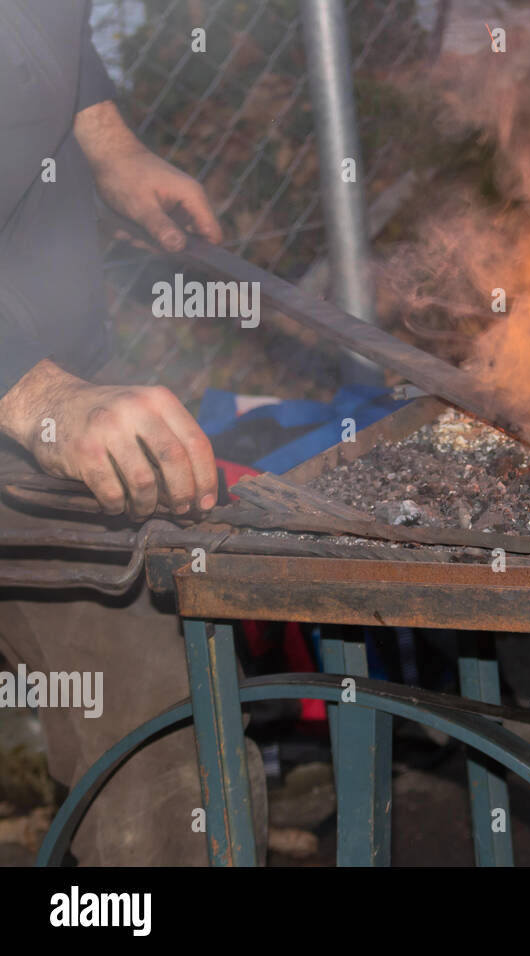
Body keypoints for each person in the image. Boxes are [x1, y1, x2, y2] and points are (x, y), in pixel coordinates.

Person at [0, 1, 264, 864]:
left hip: (44, 405)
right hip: (32, 394)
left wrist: (107, 141)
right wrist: (28, 388)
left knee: (170, 761)